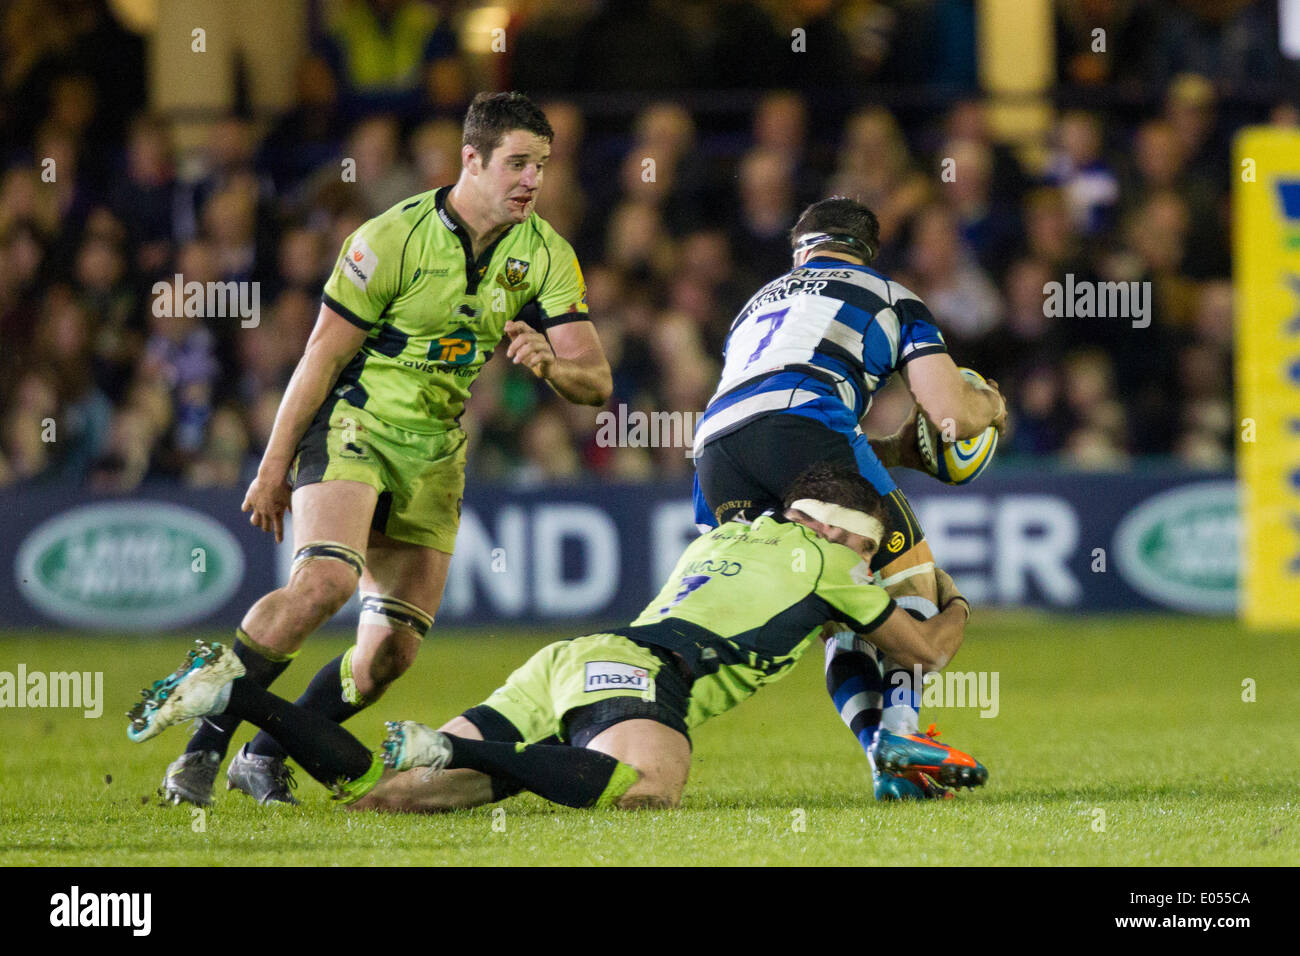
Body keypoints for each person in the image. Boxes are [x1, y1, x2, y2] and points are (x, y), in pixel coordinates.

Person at [160, 91, 612, 807]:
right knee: (325, 585)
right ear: (472, 160)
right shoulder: (389, 238)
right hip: (356, 426)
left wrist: (552, 367)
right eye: (518, 163)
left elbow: (597, 379)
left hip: (436, 453)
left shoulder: (547, 255)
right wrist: (274, 465)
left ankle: (265, 752)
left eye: (542, 166)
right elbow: (318, 357)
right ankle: (198, 755)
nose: (532, 180)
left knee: (387, 657)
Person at [128, 464, 986, 810]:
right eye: (872, 550)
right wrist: (951, 601)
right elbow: (927, 653)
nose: (871, 566)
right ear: (844, 534)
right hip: (645, 672)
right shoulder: (830, 563)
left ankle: (230, 692)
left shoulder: (728, 535)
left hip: (569, 659)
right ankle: (435, 745)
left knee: (384, 801)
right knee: (651, 788)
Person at [691, 196, 1006, 799]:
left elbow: (768, 408)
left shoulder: (753, 305)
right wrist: (991, 404)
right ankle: (902, 733)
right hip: (806, 423)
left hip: (715, 453)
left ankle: (882, 756)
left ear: (800, 251)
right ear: (867, 250)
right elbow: (951, 418)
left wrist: (890, 449)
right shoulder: (890, 295)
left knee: (837, 608)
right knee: (915, 580)